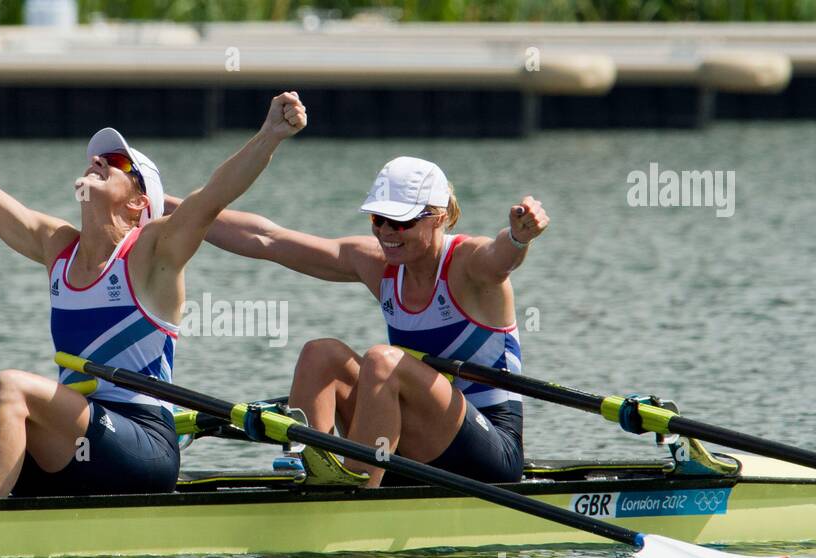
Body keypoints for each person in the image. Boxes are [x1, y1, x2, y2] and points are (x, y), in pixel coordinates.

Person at [0, 69, 307, 498]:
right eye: (97, 156)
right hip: (73, 441)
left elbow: (213, 195)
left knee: (10, 384)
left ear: (141, 202)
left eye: (117, 162)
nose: (98, 159)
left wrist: (269, 134)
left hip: (142, 445)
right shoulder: (56, 246)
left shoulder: (154, 253)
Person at [171, 156, 547, 486]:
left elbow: (500, 258)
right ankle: (314, 468)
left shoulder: (468, 264)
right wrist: (165, 207)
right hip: (409, 440)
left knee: (384, 361)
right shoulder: (377, 263)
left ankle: (356, 490)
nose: (385, 232)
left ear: (440, 217)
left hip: (490, 450)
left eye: (400, 223)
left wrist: (517, 238)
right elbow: (268, 239)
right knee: (322, 354)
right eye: (378, 219)